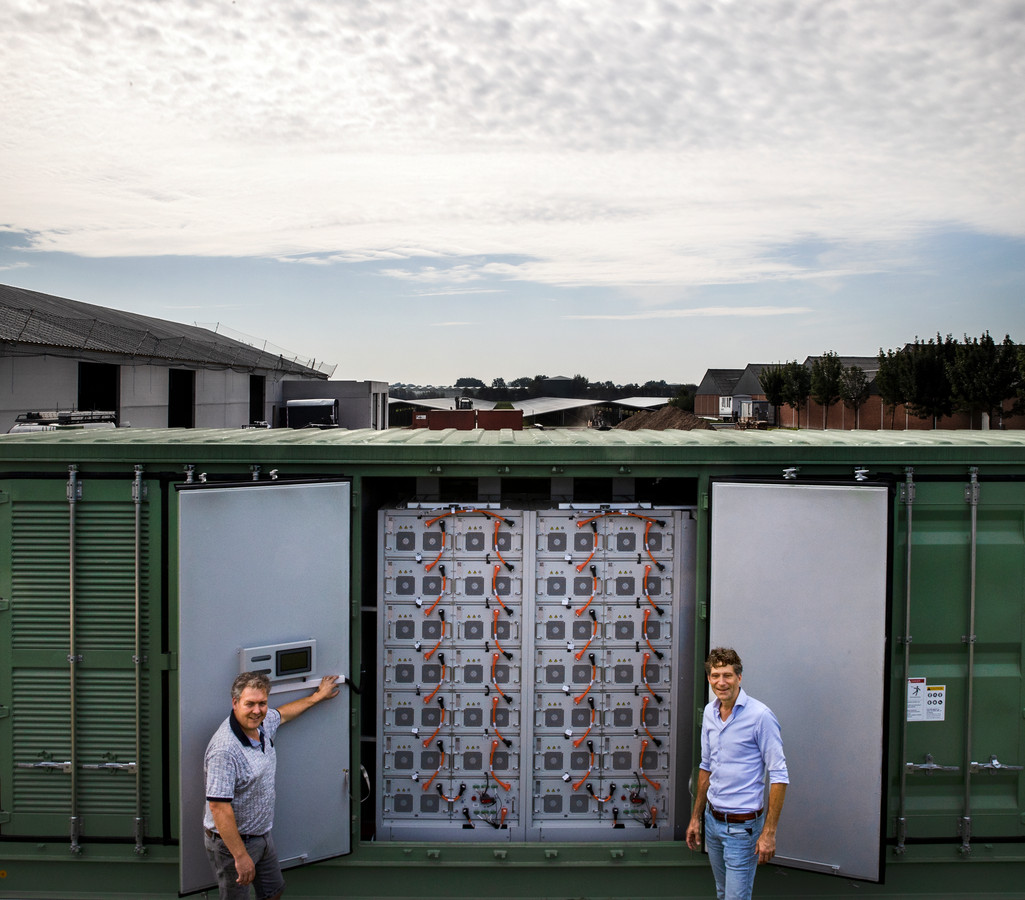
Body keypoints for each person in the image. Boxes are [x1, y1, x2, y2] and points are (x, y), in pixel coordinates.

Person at [203, 671, 340, 900]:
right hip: (233, 844)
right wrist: (240, 856)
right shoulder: (225, 750)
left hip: (262, 835)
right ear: (235, 703)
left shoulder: (262, 724)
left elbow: (283, 714)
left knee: (273, 892)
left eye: (262, 703)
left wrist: (317, 697)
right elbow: (219, 807)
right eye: (250, 704)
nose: (257, 710)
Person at [685, 648, 788, 900]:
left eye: (728, 675)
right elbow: (706, 767)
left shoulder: (760, 716)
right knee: (722, 893)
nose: (722, 682)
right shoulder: (710, 713)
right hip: (712, 822)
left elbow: (779, 775)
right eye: (716, 675)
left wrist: (769, 833)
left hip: (742, 829)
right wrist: (696, 818)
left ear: (739, 678)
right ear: (709, 678)